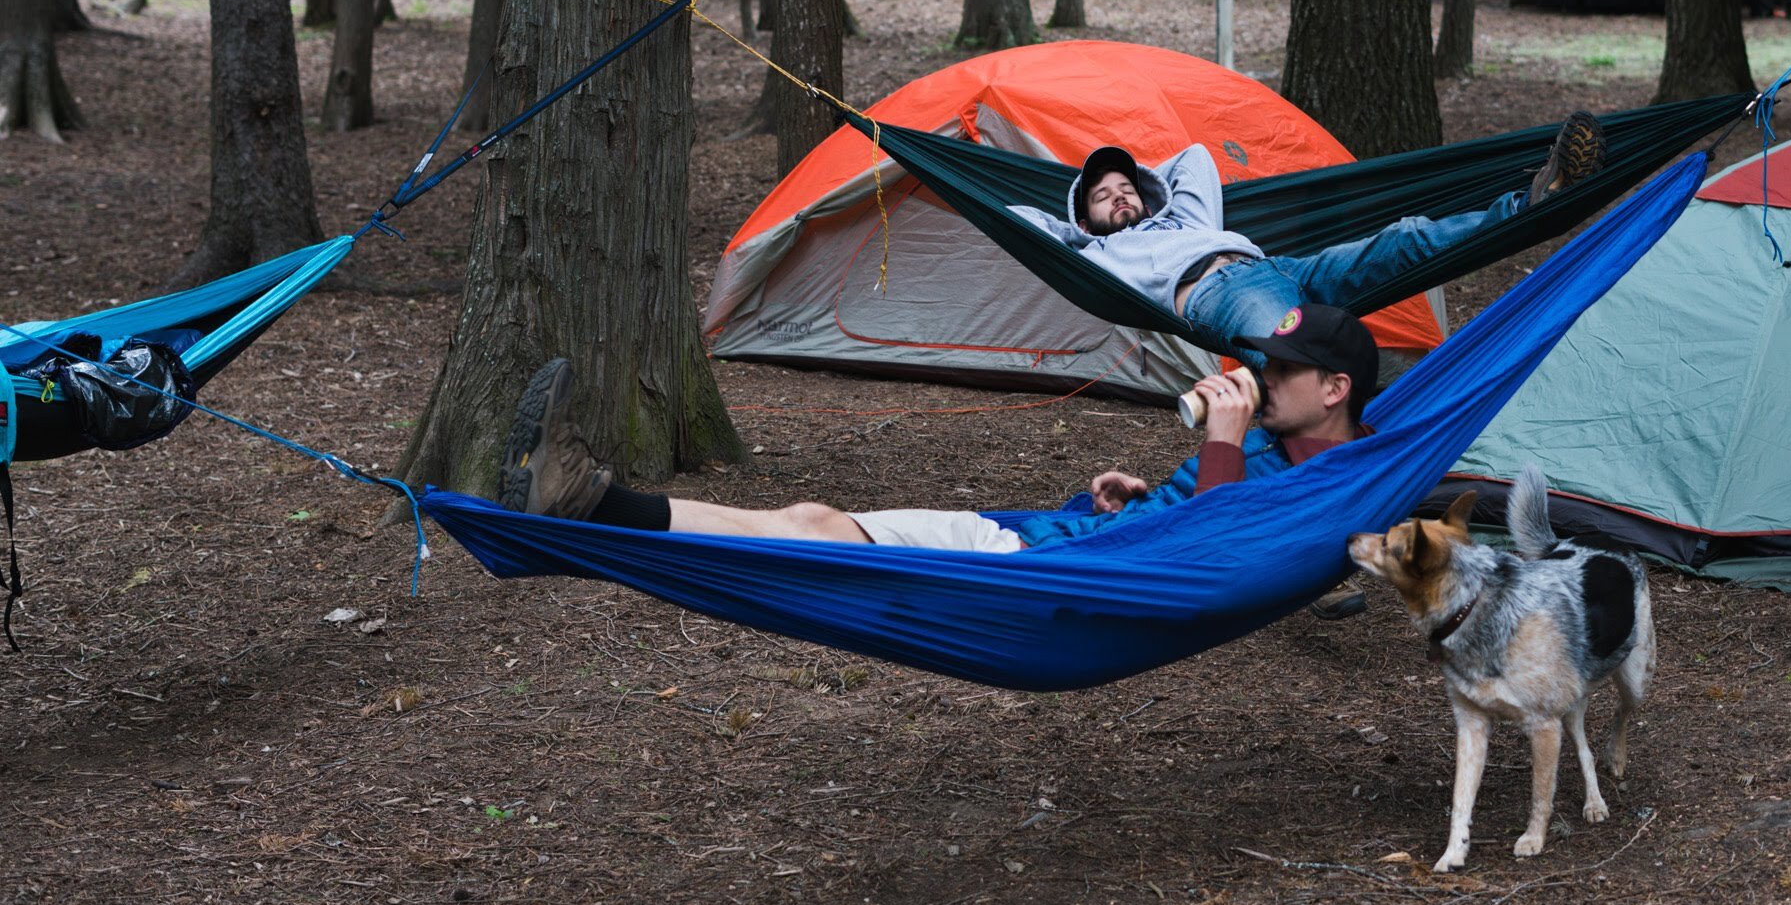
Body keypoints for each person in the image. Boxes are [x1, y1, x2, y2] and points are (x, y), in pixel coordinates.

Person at [496, 306, 1381, 618]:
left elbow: (1208, 562)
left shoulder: (1327, 484)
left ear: (1335, 387)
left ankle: (586, 504)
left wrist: (1219, 445)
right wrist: (1124, 496)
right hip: (1052, 542)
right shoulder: (1263, 440)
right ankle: (586, 506)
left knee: (814, 533)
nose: (1263, 378)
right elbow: (1178, 527)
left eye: (1285, 370)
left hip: (1043, 578)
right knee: (810, 519)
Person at [1003, 113, 1604, 358]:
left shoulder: (1187, 218)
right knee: (1298, 367)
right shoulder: (1098, 253)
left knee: (1406, 240)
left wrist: (1147, 189)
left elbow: (1194, 157)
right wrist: (1075, 229)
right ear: (1085, 219)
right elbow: (1017, 218)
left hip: (1278, 267)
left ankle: (1530, 205)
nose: (1121, 197)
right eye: (1104, 197)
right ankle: (1314, 521)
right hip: (1215, 296)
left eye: (1126, 187)